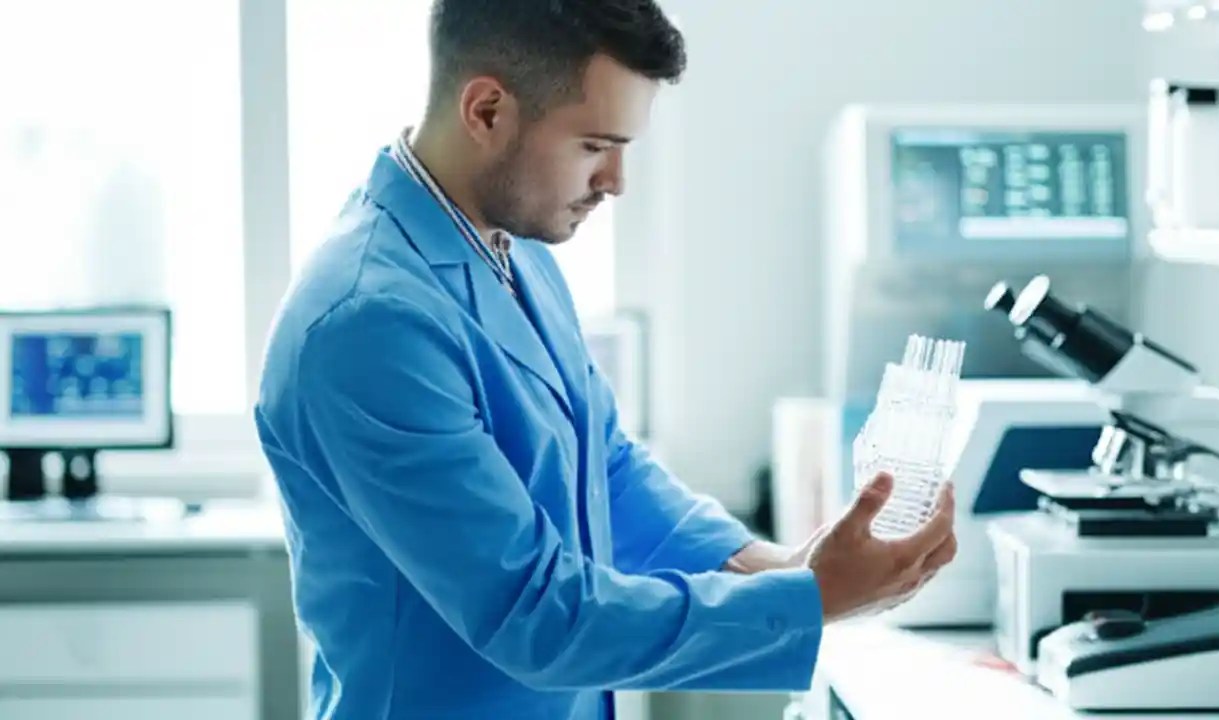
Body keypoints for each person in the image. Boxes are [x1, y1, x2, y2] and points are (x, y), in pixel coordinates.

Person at [255, 1, 958, 718]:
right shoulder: (368, 322)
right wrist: (809, 600)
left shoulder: (512, 246)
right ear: (488, 110)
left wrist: (768, 565)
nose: (616, 180)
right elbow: (537, 618)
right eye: (595, 145)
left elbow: (604, 465)